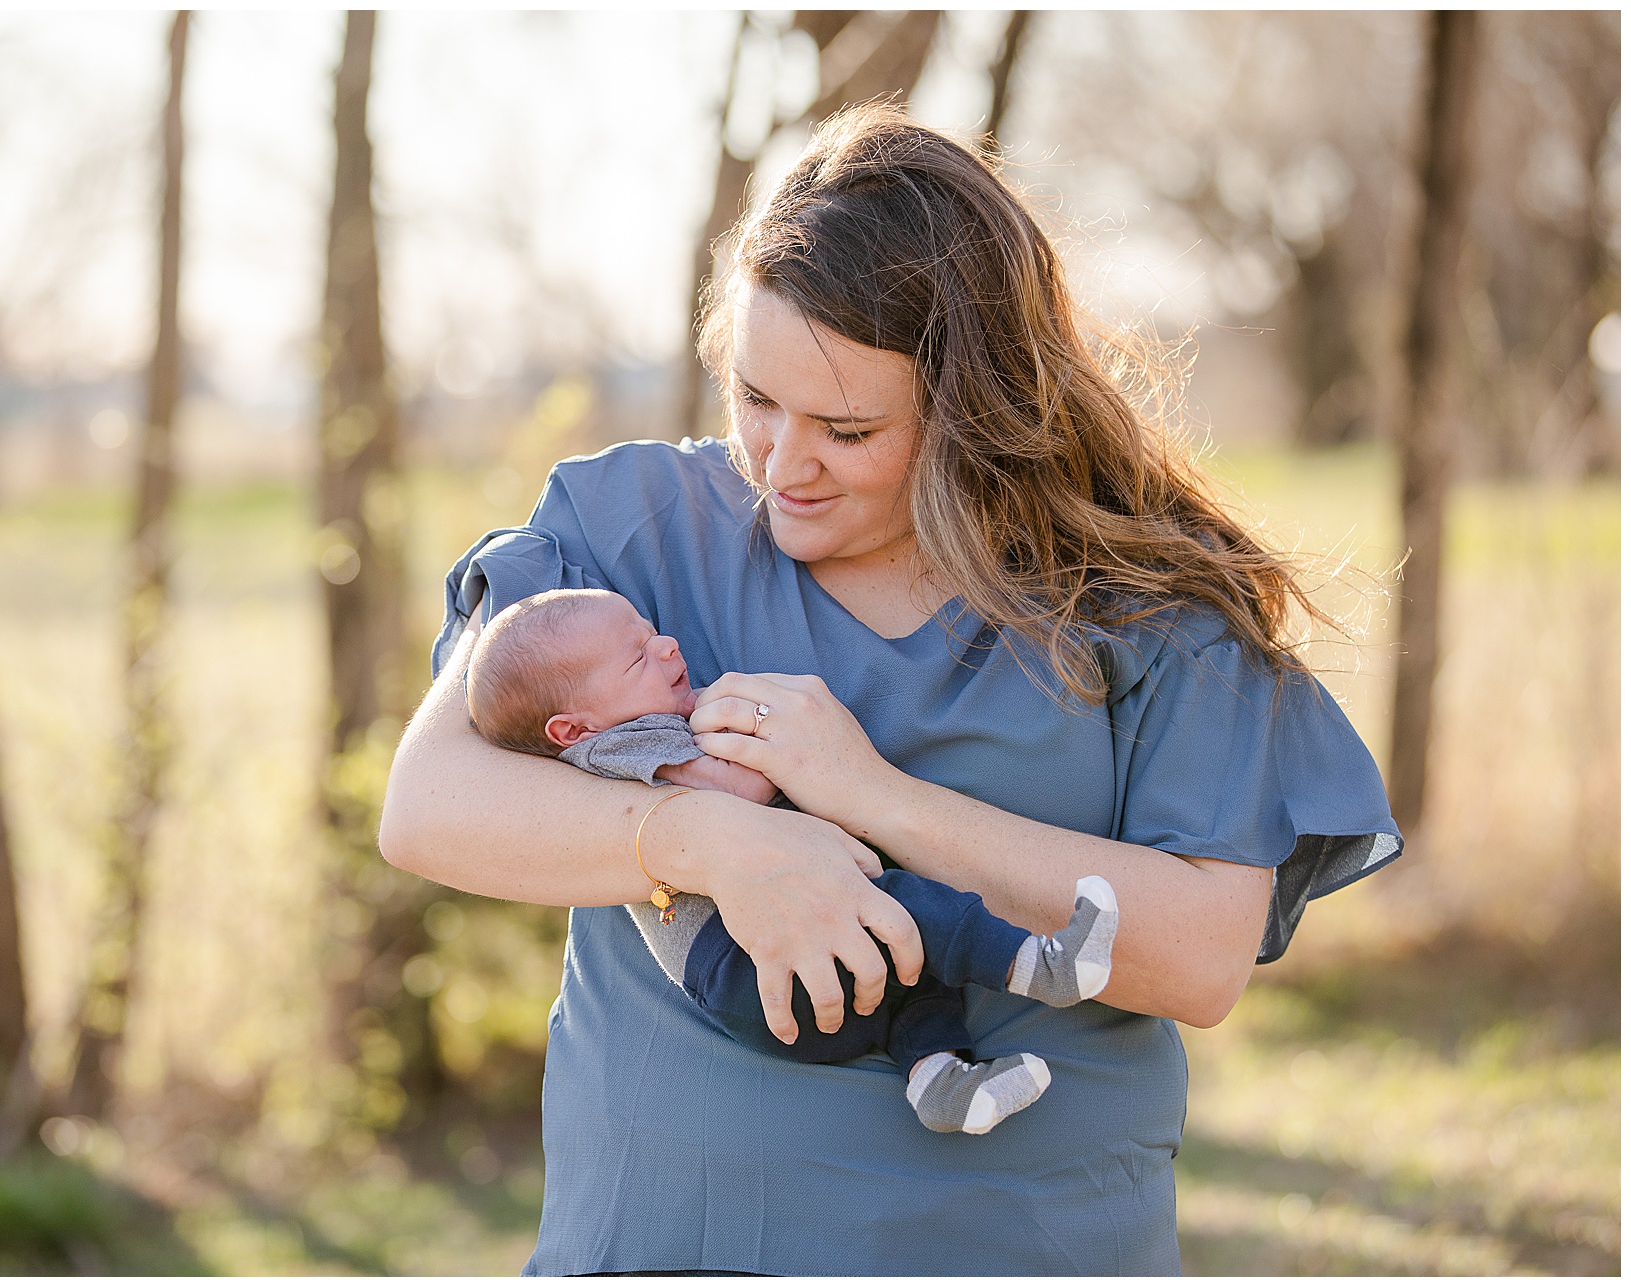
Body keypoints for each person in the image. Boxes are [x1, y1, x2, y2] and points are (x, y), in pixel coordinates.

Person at [380, 105, 1401, 1275]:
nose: (782, 464)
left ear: (977, 410)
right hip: (669, 1246)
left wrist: (877, 798)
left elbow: (1204, 957)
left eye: (850, 429)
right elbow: (428, 806)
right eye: (756, 401)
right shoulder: (633, 532)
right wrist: (713, 842)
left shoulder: (1137, 601)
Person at [463, 585, 1121, 1137]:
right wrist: (762, 725)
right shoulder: (618, 750)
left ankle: (943, 1084)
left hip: (775, 990)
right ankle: (1041, 963)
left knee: (914, 982)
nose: (665, 646)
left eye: (652, 631)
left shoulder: (622, 734)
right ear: (571, 729)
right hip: (746, 961)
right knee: (907, 910)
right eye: (636, 657)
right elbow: (739, 786)